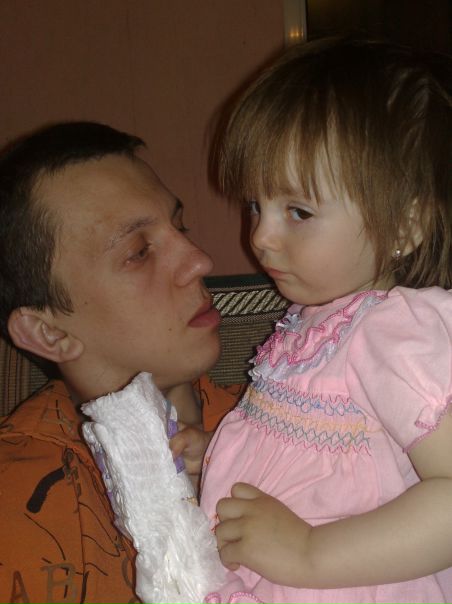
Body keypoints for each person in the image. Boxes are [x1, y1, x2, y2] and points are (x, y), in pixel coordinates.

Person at [200, 38, 452, 603]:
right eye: (255, 205)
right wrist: (217, 460)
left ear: (405, 226)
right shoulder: (313, 324)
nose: (261, 237)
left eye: (298, 211)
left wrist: (309, 551)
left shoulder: (390, 333)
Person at [0, 121, 222, 604]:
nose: (199, 261)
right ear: (49, 332)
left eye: (180, 227)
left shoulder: (306, 419)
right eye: (139, 253)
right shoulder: (14, 509)